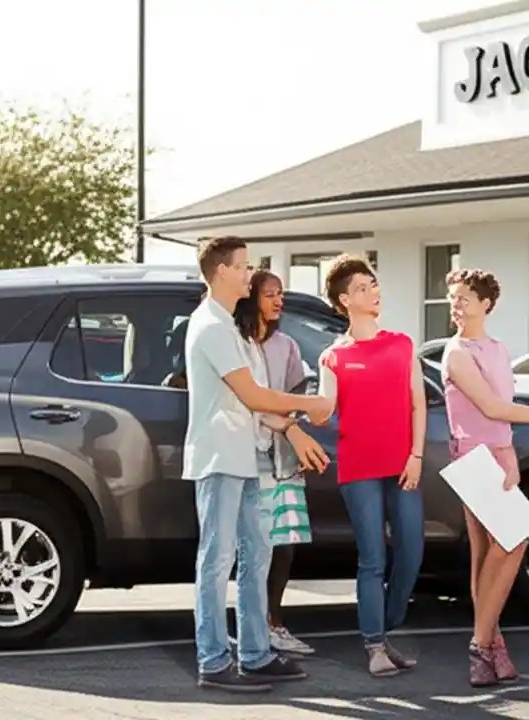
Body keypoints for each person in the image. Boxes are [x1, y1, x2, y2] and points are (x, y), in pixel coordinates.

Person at [184, 235, 332, 693]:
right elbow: (253, 396)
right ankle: (213, 661)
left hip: (249, 456)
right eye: (245, 267)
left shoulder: (228, 326)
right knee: (217, 560)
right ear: (222, 271)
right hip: (220, 457)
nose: (251, 274)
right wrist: (311, 405)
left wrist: (292, 420)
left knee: (258, 554)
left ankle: (255, 653)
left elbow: (257, 405)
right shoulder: (210, 326)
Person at [440, 268, 529, 687]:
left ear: (486, 304)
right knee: (514, 540)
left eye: (464, 298)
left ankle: (492, 647)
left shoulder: (497, 348)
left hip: (496, 457)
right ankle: (481, 645)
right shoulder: (456, 353)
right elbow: (492, 408)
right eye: (453, 298)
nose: (456, 306)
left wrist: (510, 459)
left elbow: (503, 416)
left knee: (487, 555)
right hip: (471, 459)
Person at [314, 253, 426, 677]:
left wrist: (416, 456)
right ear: (344, 300)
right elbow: (324, 409)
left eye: (373, 284)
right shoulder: (334, 357)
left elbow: (418, 402)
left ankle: (386, 625)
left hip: (403, 465)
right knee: (372, 559)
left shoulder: (402, 343)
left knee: (411, 553)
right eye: (362, 287)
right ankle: (375, 644)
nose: (373, 292)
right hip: (358, 468)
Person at [233, 268, 327, 657]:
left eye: (281, 294)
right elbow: (247, 402)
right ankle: (251, 629)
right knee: (252, 548)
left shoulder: (287, 346)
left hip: (281, 457)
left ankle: (274, 624)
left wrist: (294, 429)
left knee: (283, 544)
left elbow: (293, 397)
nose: (278, 301)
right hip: (244, 454)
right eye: (270, 293)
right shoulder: (235, 344)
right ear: (252, 296)